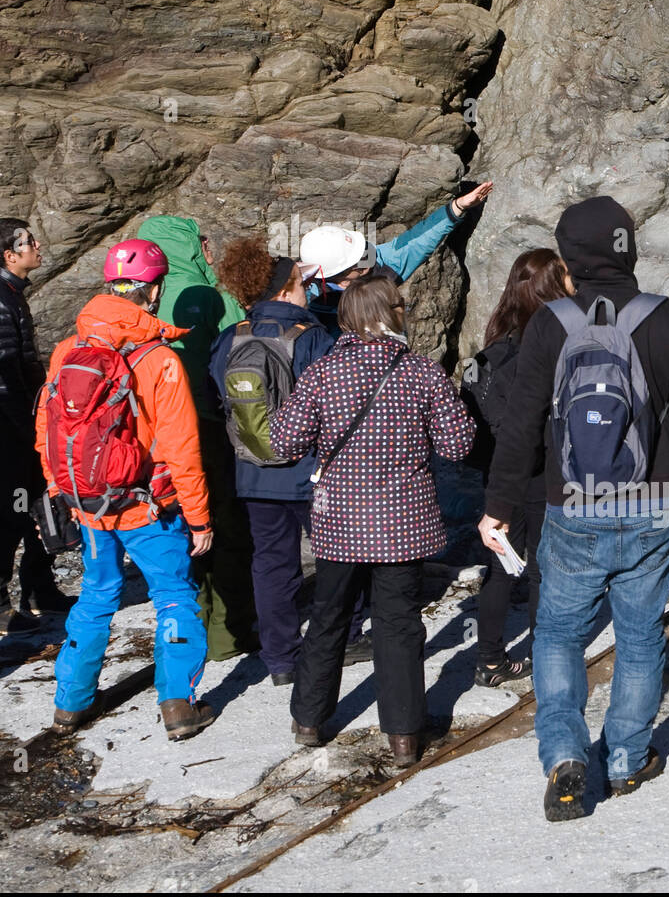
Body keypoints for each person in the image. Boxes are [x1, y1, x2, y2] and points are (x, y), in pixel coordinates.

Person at [480, 197, 669, 821]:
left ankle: (566, 753)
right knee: (641, 635)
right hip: (652, 504)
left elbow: (520, 424)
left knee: (560, 634)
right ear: (629, 250)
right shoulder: (667, 319)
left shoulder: (550, 324)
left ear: (569, 264)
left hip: (571, 506)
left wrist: (500, 505)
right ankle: (626, 759)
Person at [270, 276, 475, 767]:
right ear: (390, 313)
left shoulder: (322, 373)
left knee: (328, 617)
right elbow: (458, 446)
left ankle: (309, 719)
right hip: (402, 522)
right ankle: (404, 734)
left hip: (339, 520)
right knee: (398, 623)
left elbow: (283, 441)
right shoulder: (421, 372)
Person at [36, 239, 216, 741]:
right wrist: (200, 517)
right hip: (149, 505)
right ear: (153, 291)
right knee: (175, 596)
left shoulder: (68, 351)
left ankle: (71, 702)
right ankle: (178, 704)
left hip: (89, 506)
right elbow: (183, 449)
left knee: (96, 596)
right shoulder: (160, 360)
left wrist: (61, 491)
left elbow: (48, 435)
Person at [209, 237, 333, 685]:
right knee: (335, 557)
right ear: (283, 290)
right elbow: (330, 405)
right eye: (301, 284)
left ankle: (280, 658)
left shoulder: (230, 337)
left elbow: (219, 399)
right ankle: (347, 633)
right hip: (309, 471)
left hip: (251, 471)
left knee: (271, 562)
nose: (307, 292)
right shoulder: (314, 337)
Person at [136, 215, 257, 661]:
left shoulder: (143, 297)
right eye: (203, 244)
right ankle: (229, 634)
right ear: (192, 246)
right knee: (223, 527)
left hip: (152, 438)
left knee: (181, 527)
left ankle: (191, 626)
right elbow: (242, 346)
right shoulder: (210, 295)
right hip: (207, 428)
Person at [463, 248, 572, 688]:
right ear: (550, 286)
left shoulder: (493, 346)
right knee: (542, 570)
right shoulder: (551, 341)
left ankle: (489, 660)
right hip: (541, 471)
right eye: (564, 275)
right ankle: (544, 658)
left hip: (499, 473)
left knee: (503, 567)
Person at [0, 218, 70, 636]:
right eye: (29, 242)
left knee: (38, 504)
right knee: (14, 512)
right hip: (2, 431)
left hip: (12, 426)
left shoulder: (8, 292)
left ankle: (39, 591)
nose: (38, 245)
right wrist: (31, 433)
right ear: (11, 256)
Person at [297, 182, 494, 338]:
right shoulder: (304, 303)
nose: (365, 260)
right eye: (356, 261)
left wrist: (457, 207)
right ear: (337, 276)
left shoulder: (379, 263)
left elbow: (417, 240)